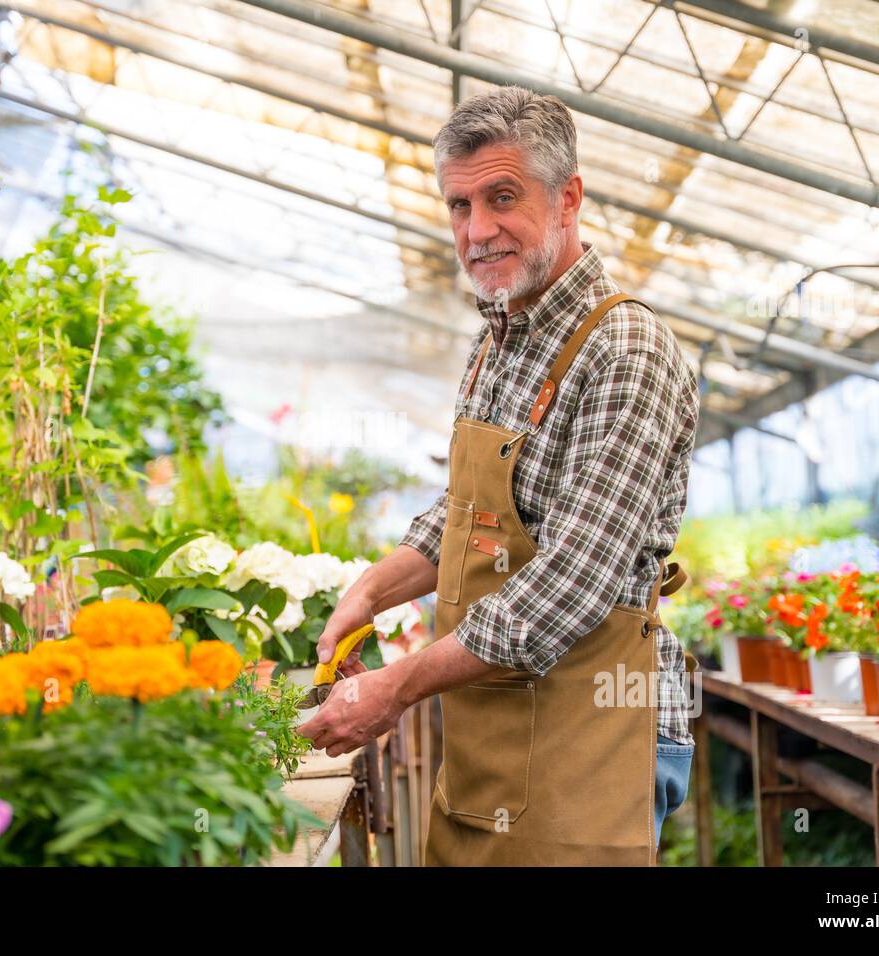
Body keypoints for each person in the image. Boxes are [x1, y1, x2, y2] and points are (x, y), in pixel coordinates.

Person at [298, 86, 700, 865]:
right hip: (494, 741)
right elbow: (464, 512)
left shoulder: (625, 351)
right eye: (459, 205)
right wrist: (371, 592)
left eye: (502, 198)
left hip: (587, 738)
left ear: (569, 198)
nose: (478, 231)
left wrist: (396, 687)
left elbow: (569, 587)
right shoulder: (501, 338)